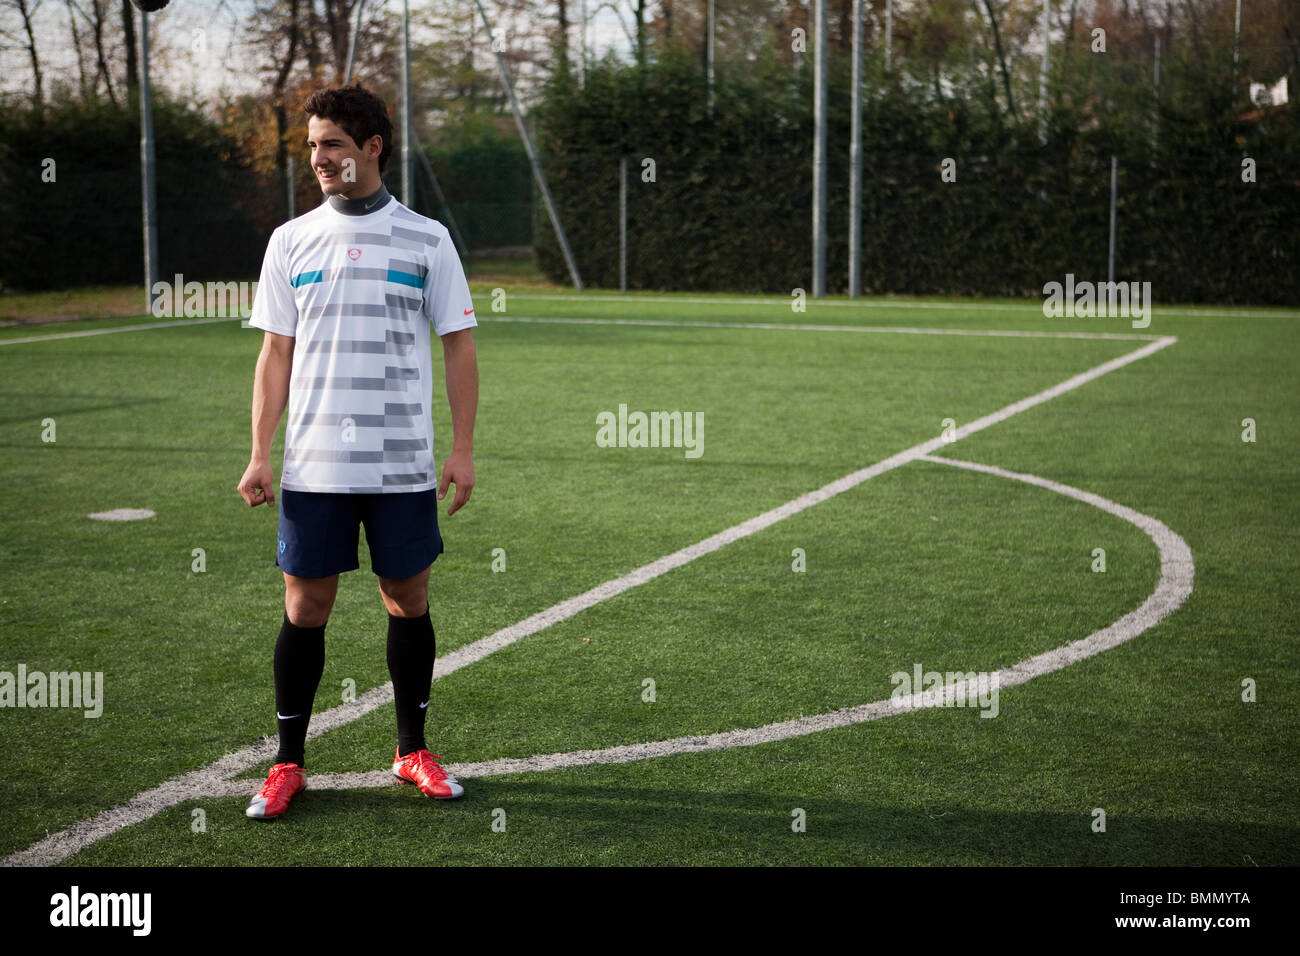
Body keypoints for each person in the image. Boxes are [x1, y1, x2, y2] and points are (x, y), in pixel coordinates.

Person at [236, 85, 478, 820]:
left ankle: (412, 750)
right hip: (315, 463)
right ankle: (287, 764)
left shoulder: (427, 238)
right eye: (313, 145)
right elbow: (276, 353)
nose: (320, 158)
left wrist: (462, 447)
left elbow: (459, 345)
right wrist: (259, 452)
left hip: (401, 459)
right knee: (305, 607)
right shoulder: (290, 240)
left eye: (334, 143)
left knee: (408, 599)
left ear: (373, 146)